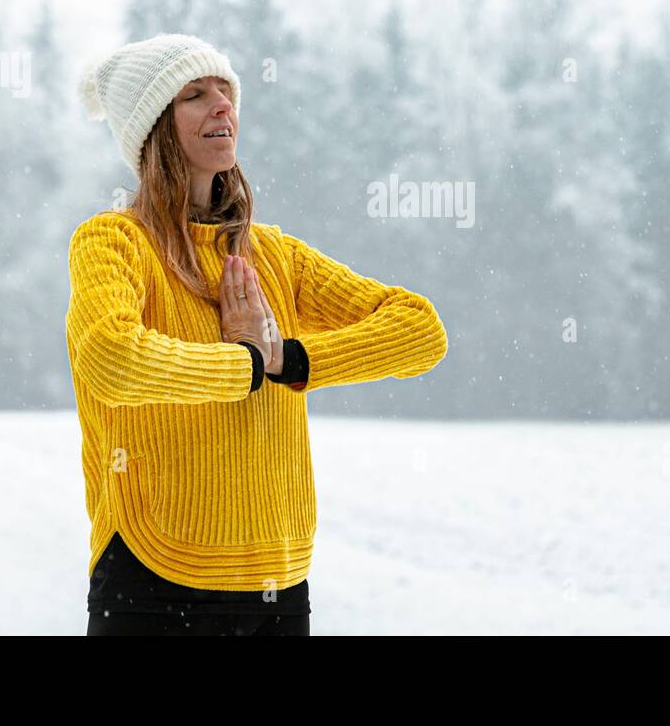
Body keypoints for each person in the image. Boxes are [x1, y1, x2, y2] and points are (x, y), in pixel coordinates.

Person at [67, 33, 448, 636]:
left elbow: (420, 330)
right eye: (195, 94)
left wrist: (287, 361)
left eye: (227, 92)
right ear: (154, 131)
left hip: (277, 579)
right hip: (154, 576)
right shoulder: (113, 243)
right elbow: (111, 359)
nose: (223, 106)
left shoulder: (276, 256)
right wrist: (243, 365)